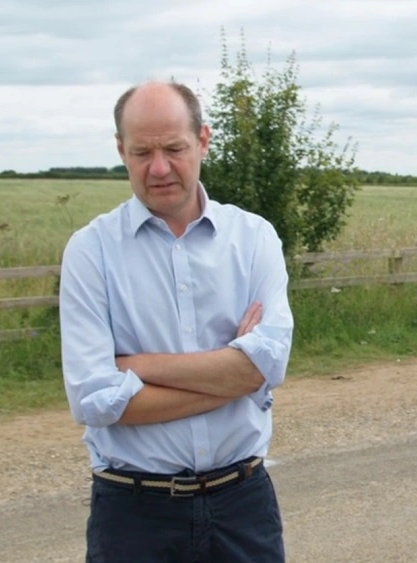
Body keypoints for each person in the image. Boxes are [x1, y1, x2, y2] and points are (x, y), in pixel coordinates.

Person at [60, 80, 293, 562]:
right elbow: (95, 399)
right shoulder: (91, 251)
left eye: (174, 148)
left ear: (203, 140)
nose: (159, 167)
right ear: (121, 150)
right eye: (142, 151)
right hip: (133, 515)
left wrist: (138, 366)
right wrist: (230, 374)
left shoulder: (254, 239)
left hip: (242, 505)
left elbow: (261, 368)